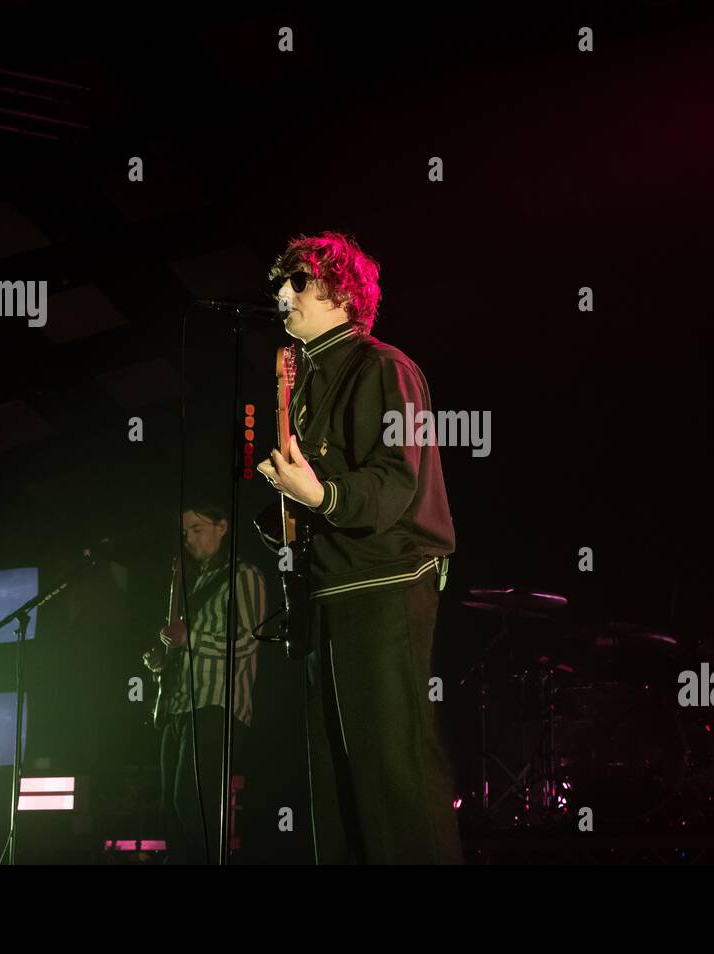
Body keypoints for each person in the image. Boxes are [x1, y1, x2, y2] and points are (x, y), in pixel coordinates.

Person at [257, 230, 462, 864]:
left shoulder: (385, 367)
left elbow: (398, 478)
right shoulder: (309, 377)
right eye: (280, 284)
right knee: (335, 774)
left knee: (392, 766)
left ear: (342, 293)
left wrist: (320, 498)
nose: (282, 295)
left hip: (386, 584)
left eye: (298, 282)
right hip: (329, 589)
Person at [144, 503, 266, 864]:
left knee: (191, 802)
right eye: (185, 533)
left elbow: (248, 641)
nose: (189, 539)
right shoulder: (190, 583)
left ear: (222, 527)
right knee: (169, 812)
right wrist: (162, 661)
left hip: (217, 705)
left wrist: (190, 638)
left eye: (197, 529)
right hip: (178, 708)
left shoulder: (244, 575)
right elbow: (185, 645)